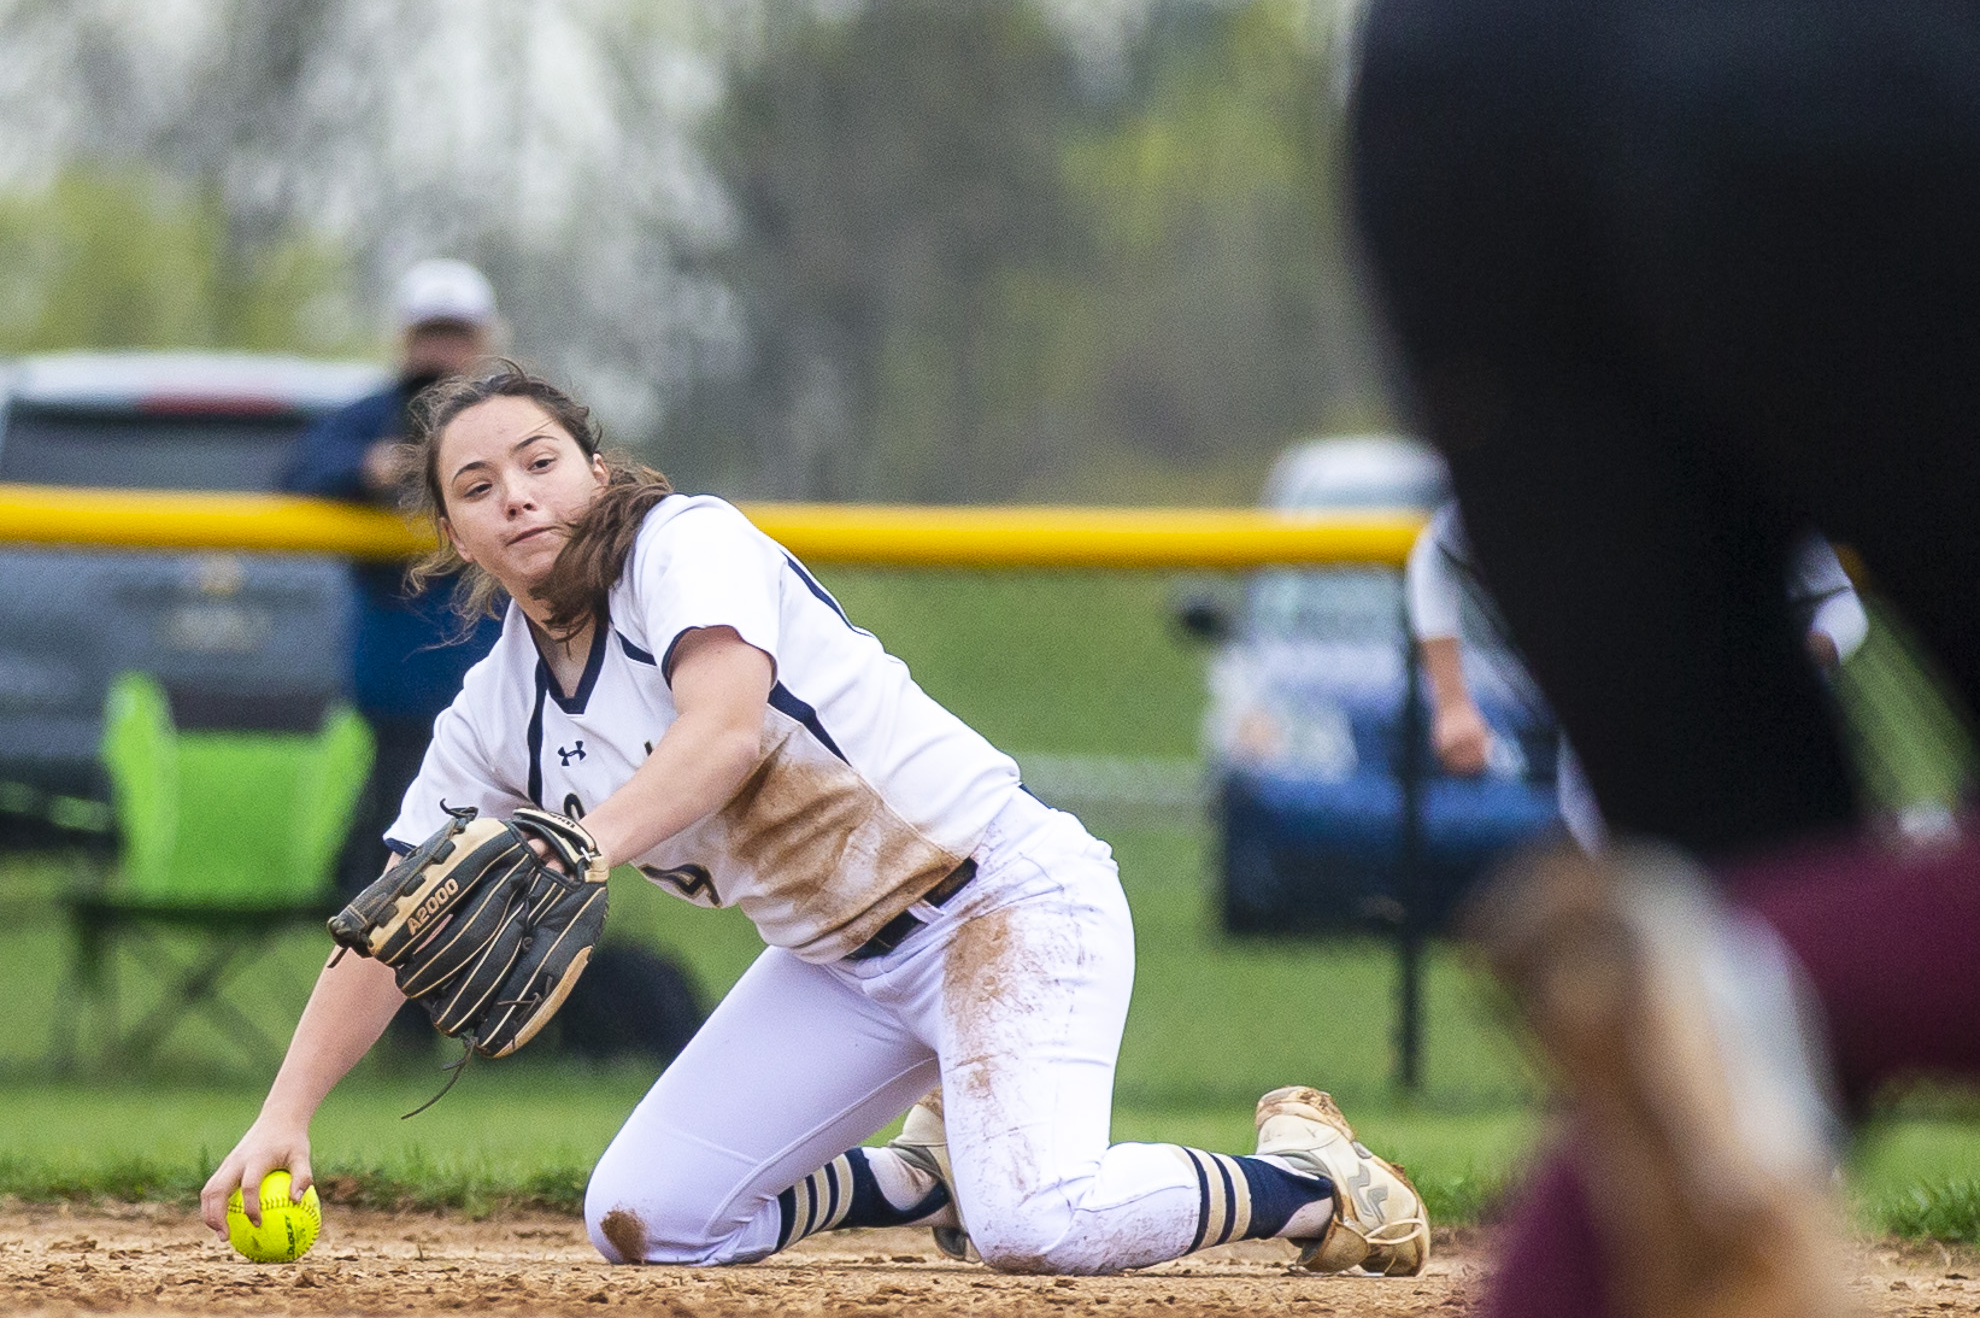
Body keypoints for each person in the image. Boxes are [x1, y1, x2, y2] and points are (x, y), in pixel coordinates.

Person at [199, 362, 1431, 1276]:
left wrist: (590, 844)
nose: (516, 496)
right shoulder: (495, 713)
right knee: (648, 1218)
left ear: (595, 468)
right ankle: (916, 1174)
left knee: (1031, 1225)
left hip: (1003, 901)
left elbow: (724, 730)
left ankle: (1306, 1184)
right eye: (477, 486)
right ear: (455, 534)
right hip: (838, 971)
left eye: (538, 460)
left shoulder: (686, 546)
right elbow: (398, 923)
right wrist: (284, 1112)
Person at [1350, 0, 1980, 1313]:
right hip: (1857, 65)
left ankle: (1736, 965)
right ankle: (1761, 965)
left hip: (1457, 97)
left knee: (1703, 1102)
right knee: (1743, 995)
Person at [1404, 503, 1867, 851]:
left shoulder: (1736, 477)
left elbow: (1844, 609)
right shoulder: (1567, 471)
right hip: (1613, 726)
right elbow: (1434, 554)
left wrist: (1786, 669)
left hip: (1742, 742)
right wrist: (1453, 703)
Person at [280, 258, 502, 898]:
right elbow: (300, 472)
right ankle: (370, 899)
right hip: (397, 653)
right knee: (397, 806)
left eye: (456, 335)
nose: (442, 350)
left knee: (498, 802)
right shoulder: (373, 417)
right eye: (431, 334)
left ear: (482, 343)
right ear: (405, 340)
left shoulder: (502, 416)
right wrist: (370, 468)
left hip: (487, 644)